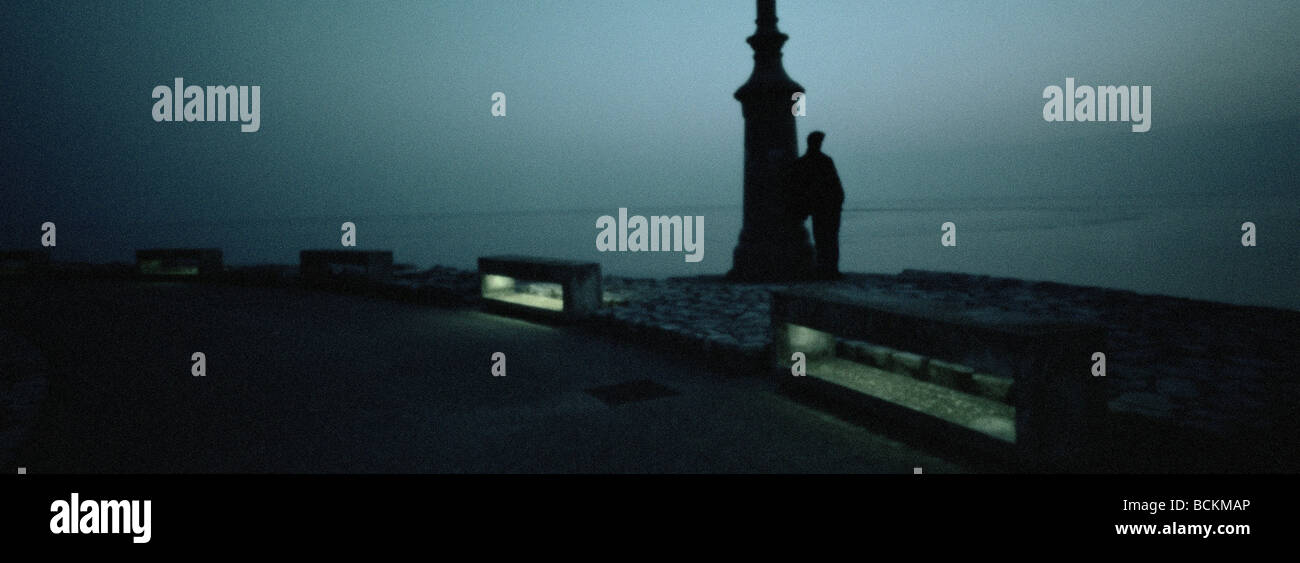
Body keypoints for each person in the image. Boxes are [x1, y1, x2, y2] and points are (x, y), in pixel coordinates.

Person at [789, 131, 844, 279]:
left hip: (823, 206)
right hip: (823, 206)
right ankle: (829, 269)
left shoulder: (806, 162)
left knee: (825, 238)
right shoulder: (821, 161)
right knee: (827, 239)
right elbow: (833, 184)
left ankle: (828, 269)